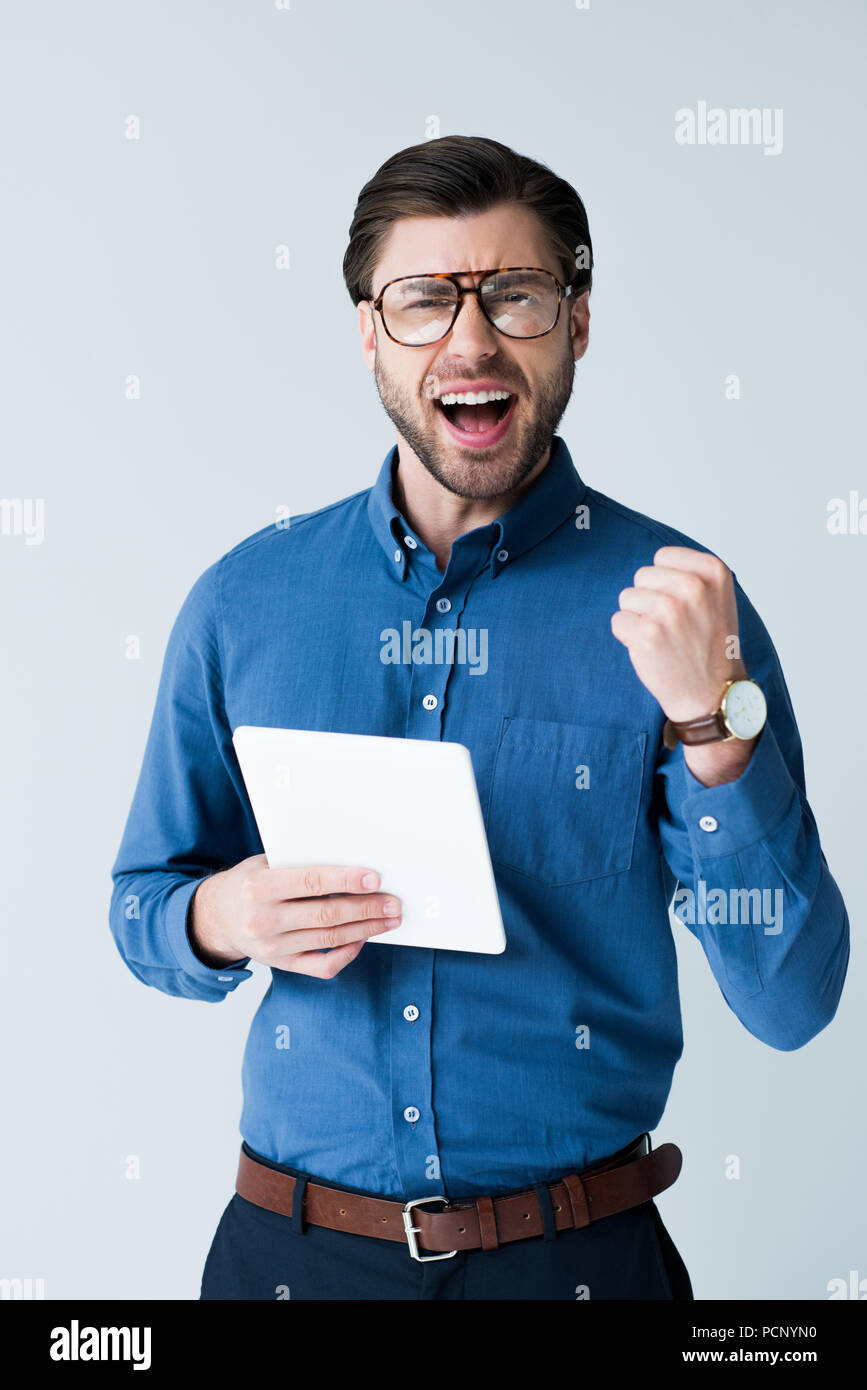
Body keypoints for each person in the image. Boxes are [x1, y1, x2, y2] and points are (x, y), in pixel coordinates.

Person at [109, 135, 849, 1301]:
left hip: (577, 1270)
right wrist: (219, 913)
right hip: (285, 1264)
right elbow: (139, 903)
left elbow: (794, 1000)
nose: (471, 339)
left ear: (578, 321)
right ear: (369, 333)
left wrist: (715, 733)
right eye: (423, 300)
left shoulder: (689, 606)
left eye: (515, 294)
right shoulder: (243, 603)